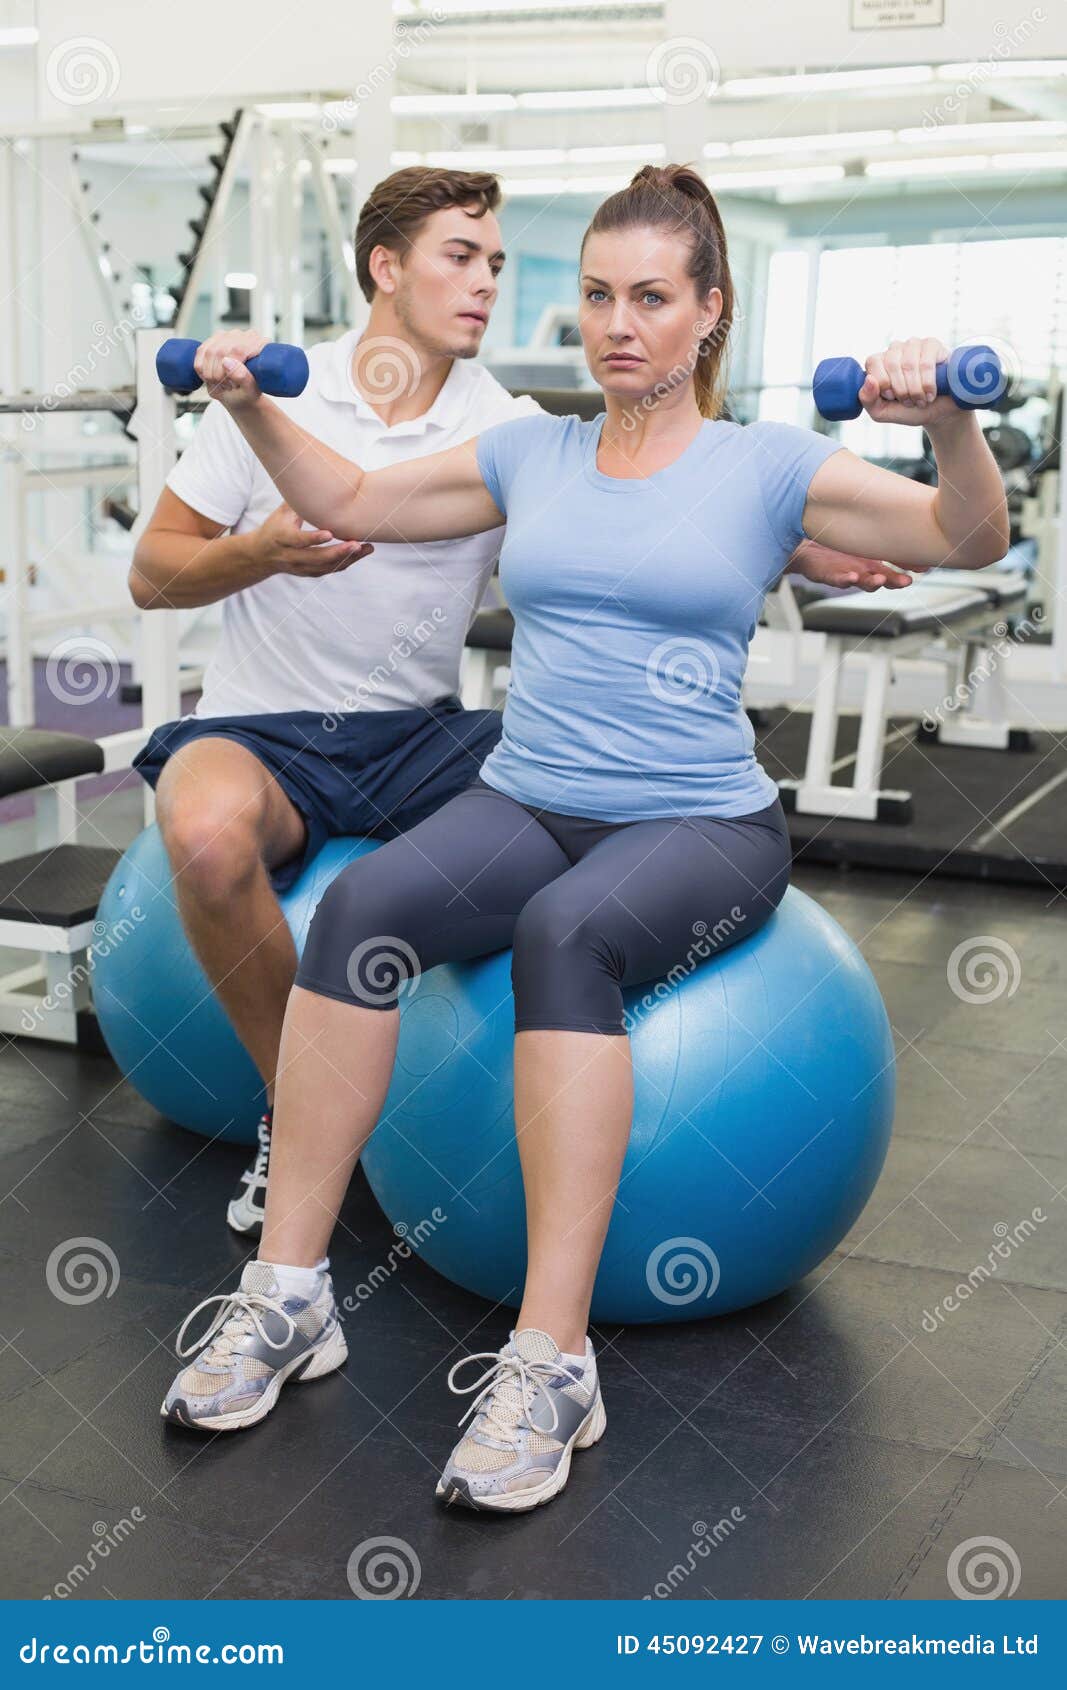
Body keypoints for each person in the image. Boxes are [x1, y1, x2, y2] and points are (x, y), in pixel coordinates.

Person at [161, 163, 1008, 1514]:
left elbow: (964, 533)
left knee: (565, 936)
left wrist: (949, 422)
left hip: (698, 818)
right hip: (531, 793)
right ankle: (290, 1290)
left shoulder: (767, 467)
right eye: (598, 295)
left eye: (651, 298)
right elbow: (358, 500)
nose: (618, 324)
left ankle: (551, 1361)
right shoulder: (533, 452)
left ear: (708, 311)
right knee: (362, 909)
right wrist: (250, 404)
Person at [130, 164, 881, 1240]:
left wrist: (792, 540)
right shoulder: (270, 395)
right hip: (264, 727)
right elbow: (153, 576)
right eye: (460, 258)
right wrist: (260, 550)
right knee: (209, 839)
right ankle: (295, 1113)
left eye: (495, 260)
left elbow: (637, 511)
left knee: (565, 808)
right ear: (386, 269)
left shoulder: (510, 424)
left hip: (420, 735)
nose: (486, 281)